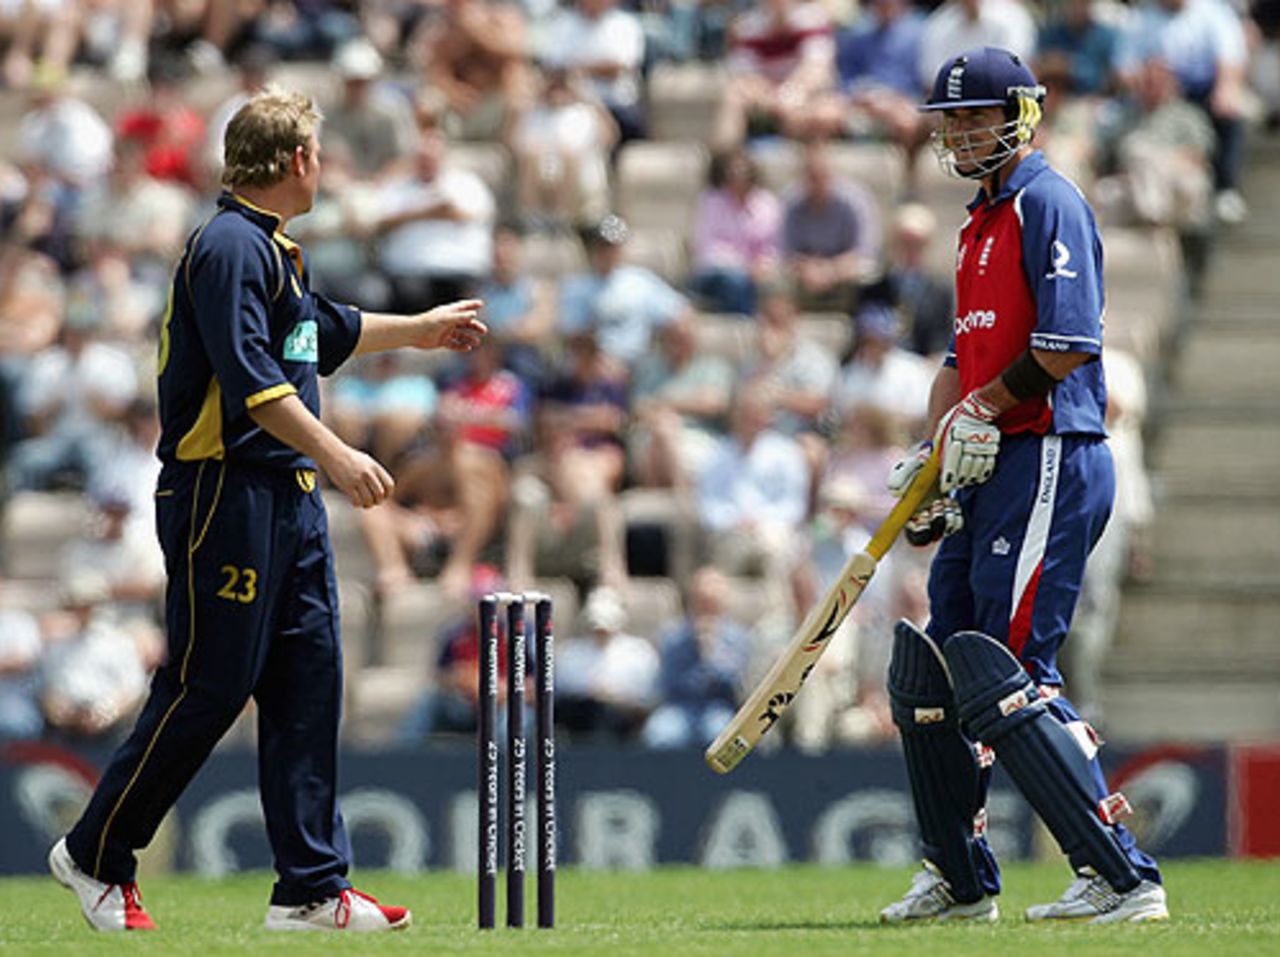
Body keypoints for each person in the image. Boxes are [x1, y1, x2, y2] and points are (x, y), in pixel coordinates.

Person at [47, 87, 488, 934]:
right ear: (297, 161)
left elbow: (318, 330)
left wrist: (423, 329)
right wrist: (340, 454)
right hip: (226, 490)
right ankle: (97, 851)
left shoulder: (274, 250)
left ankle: (312, 889)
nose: (324, 166)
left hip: (284, 498)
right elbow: (255, 386)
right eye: (319, 152)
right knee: (208, 686)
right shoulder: (228, 246)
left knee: (307, 681)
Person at [877, 48, 1168, 925]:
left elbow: (1069, 344)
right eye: (952, 120)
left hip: (1047, 448)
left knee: (1006, 674)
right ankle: (959, 879)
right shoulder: (976, 224)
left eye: (978, 116)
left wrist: (984, 412)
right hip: (988, 456)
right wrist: (934, 452)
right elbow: (961, 361)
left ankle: (1121, 874)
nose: (963, 131)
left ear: (1024, 114)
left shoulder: (1049, 201)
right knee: (935, 668)